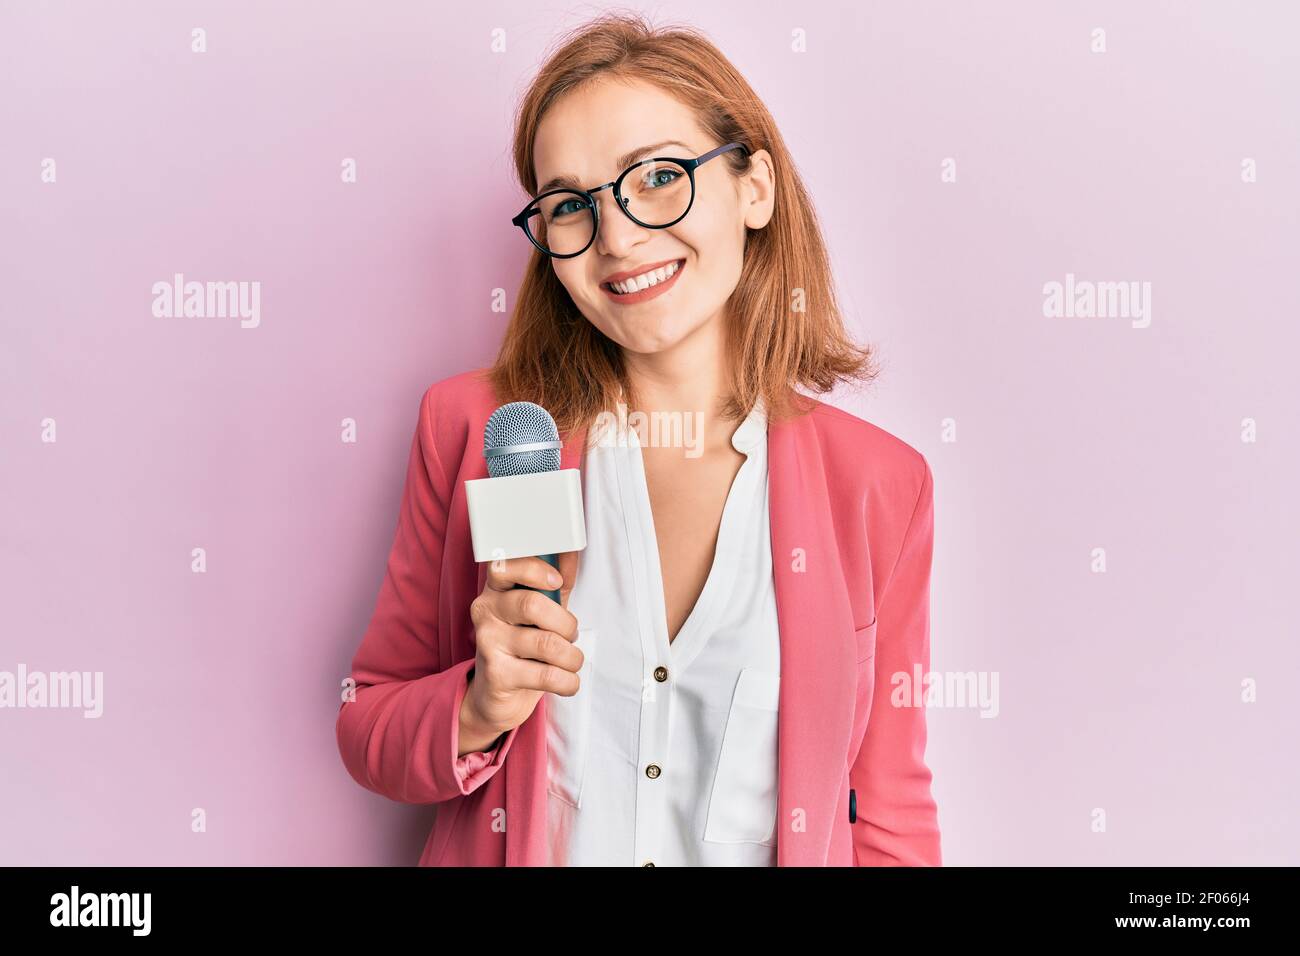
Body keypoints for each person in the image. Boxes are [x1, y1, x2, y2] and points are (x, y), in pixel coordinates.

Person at [336, 12, 941, 867]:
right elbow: (368, 721)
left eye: (657, 176)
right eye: (570, 205)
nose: (617, 237)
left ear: (755, 187)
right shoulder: (480, 432)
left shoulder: (880, 485)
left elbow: (886, 813)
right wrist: (477, 704)